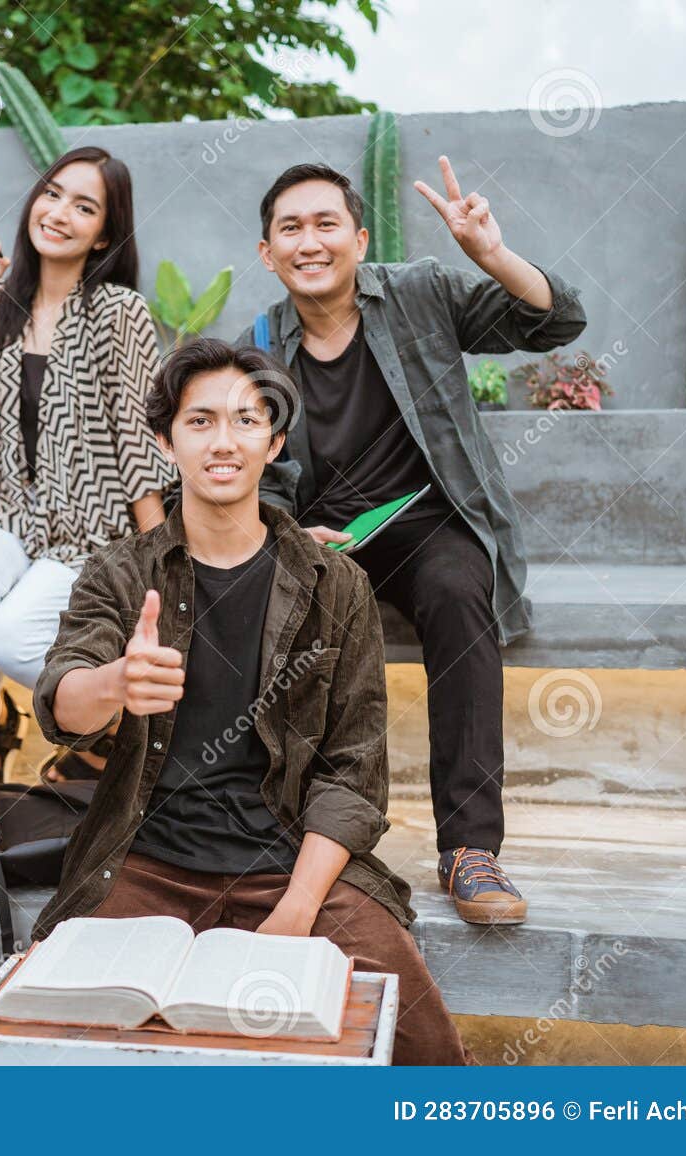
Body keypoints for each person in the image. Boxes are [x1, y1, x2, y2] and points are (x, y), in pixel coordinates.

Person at [30, 339, 471, 1065]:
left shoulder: (335, 584)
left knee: (419, 1040)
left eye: (245, 419)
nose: (224, 441)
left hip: (295, 866)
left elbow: (353, 773)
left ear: (274, 440)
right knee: (57, 1040)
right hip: (143, 862)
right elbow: (62, 701)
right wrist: (116, 683)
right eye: (200, 421)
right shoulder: (120, 572)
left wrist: (298, 909)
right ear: (166, 441)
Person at [239, 158, 588, 925]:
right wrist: (291, 533)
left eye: (326, 224)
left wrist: (491, 254)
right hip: (328, 534)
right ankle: (297, 837)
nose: (309, 242)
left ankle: (469, 849)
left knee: (460, 591)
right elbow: (259, 476)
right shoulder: (259, 347)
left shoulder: (420, 293)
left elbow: (556, 322)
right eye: (289, 229)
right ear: (267, 253)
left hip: (433, 520)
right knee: (271, 597)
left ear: (358, 239)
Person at [0, 146, 172, 787]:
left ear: (103, 236)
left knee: (14, 638)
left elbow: (138, 437)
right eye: (53, 193)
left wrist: (164, 557)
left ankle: (108, 727)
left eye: (84, 206)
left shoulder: (118, 313)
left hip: (91, 525)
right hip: (5, 509)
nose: (60, 213)